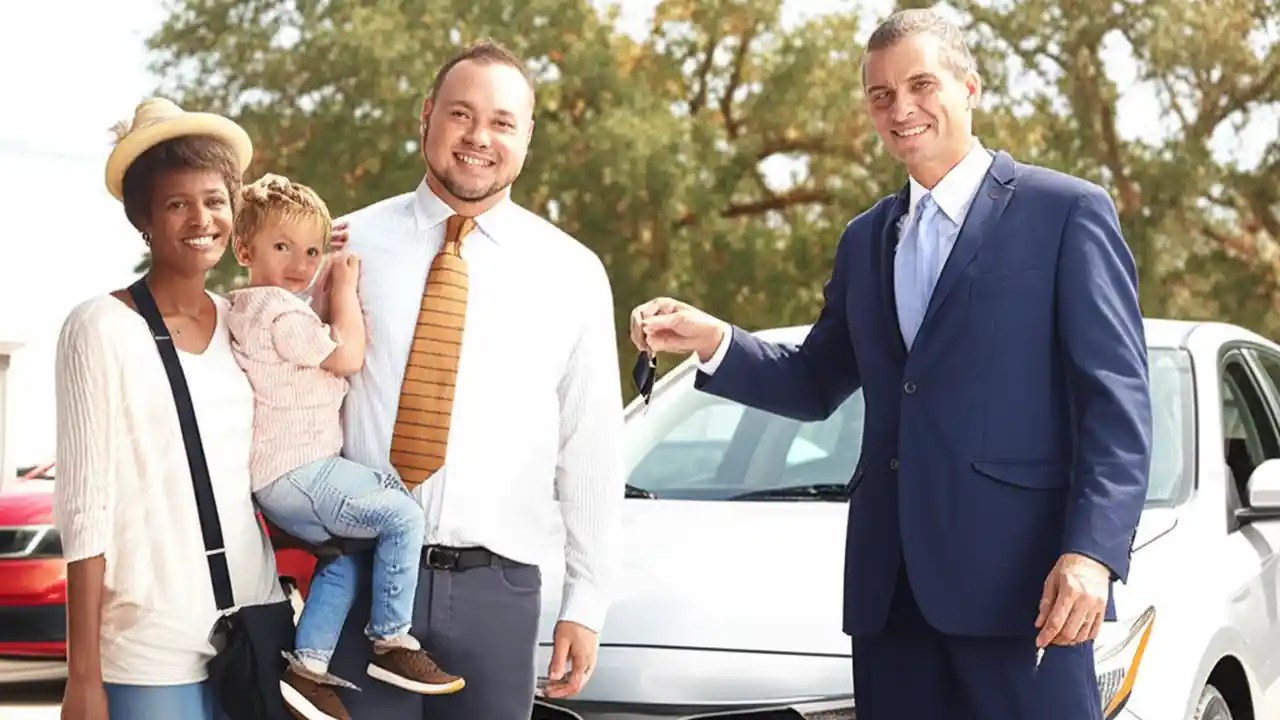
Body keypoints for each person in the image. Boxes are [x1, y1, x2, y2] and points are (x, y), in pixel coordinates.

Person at [629, 9, 1152, 720]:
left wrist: (1093, 554)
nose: (900, 108)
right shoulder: (865, 239)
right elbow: (816, 381)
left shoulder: (1065, 212)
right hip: (890, 597)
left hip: (1024, 594)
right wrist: (714, 338)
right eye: (880, 95)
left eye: (921, 84)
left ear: (970, 86)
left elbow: (1116, 404)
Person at [323, 38, 625, 719]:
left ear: (527, 138)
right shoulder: (345, 245)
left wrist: (587, 601)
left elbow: (592, 447)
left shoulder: (571, 273)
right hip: (361, 578)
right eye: (461, 114)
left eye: (502, 122)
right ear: (426, 115)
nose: (478, 137)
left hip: (499, 595)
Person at [53, 98, 285, 719]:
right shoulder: (99, 327)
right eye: (177, 203)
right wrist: (83, 678)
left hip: (253, 627)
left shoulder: (246, 323)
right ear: (144, 222)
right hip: (148, 648)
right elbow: (84, 508)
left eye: (214, 200)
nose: (201, 218)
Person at [224, 173, 465, 720]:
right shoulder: (281, 313)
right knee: (403, 516)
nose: (300, 262)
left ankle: (306, 669)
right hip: (302, 472)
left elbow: (293, 307)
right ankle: (392, 641)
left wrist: (311, 270)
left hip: (281, 480)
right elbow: (347, 354)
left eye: (310, 250)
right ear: (243, 248)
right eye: (282, 247)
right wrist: (343, 290)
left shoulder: (253, 307)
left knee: (347, 559)